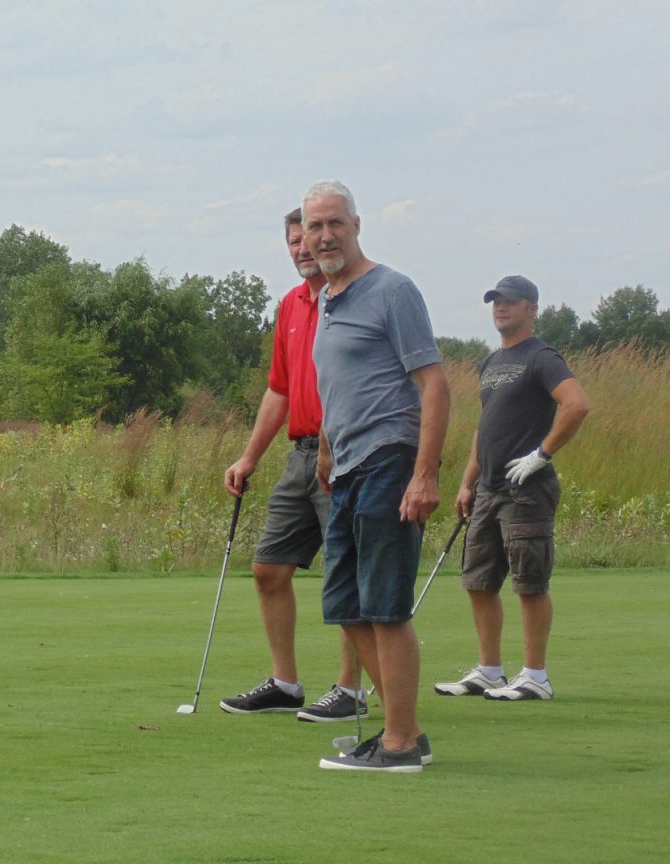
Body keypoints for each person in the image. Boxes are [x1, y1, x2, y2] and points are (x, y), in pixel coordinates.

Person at [302, 181, 449, 773]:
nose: (325, 235)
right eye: (315, 226)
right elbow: (342, 388)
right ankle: (403, 728)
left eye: (335, 223)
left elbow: (434, 385)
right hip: (348, 467)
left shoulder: (392, 290)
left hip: (391, 460)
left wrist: (425, 475)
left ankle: (399, 746)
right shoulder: (328, 299)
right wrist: (326, 450)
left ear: (357, 225)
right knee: (346, 603)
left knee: (386, 606)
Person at [218, 208, 365, 724]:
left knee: (347, 573)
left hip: (347, 454)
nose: (303, 248)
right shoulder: (291, 305)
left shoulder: (351, 299)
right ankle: (285, 683)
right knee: (268, 569)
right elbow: (279, 389)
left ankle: (350, 690)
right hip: (300, 455)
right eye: (294, 241)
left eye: (310, 238)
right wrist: (249, 456)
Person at [436, 276, 589, 701]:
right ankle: (489, 671)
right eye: (496, 302)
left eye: (511, 302)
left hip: (526, 487)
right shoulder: (489, 363)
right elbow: (487, 428)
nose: (501, 308)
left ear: (532, 309)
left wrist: (542, 454)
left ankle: (535, 677)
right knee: (479, 581)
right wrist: (468, 482)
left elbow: (577, 404)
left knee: (529, 580)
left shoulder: (542, 358)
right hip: (488, 487)